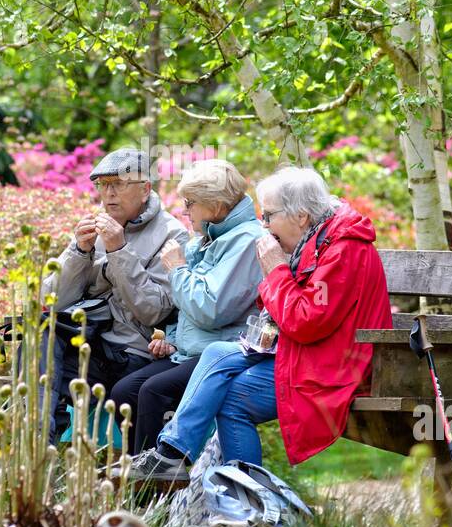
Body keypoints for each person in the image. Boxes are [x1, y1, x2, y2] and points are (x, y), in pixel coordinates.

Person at [128, 165, 393, 483]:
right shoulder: (315, 242)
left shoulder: (342, 251)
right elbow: (286, 313)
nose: (264, 226)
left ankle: (240, 496)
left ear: (301, 216)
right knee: (216, 354)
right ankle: (176, 457)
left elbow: (305, 321)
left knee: (234, 397)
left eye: (268, 216)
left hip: (332, 365)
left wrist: (276, 269)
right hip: (303, 352)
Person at [108, 159, 265, 454]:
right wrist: (172, 340)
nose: (184, 211)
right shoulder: (209, 238)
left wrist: (178, 269)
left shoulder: (247, 241)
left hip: (227, 351)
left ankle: (155, 482)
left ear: (215, 206)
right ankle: (149, 483)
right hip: (194, 350)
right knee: (123, 392)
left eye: (190, 203)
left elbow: (212, 309)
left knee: (155, 391)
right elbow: (193, 310)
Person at [39, 147, 189, 444]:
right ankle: (40, 440)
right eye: (103, 185)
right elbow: (53, 299)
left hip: (131, 357)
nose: (108, 194)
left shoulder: (173, 235)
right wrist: (78, 252)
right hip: (87, 344)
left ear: (145, 189)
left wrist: (119, 250)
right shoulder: (96, 224)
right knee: (40, 333)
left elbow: (152, 312)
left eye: (118, 185)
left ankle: (45, 441)